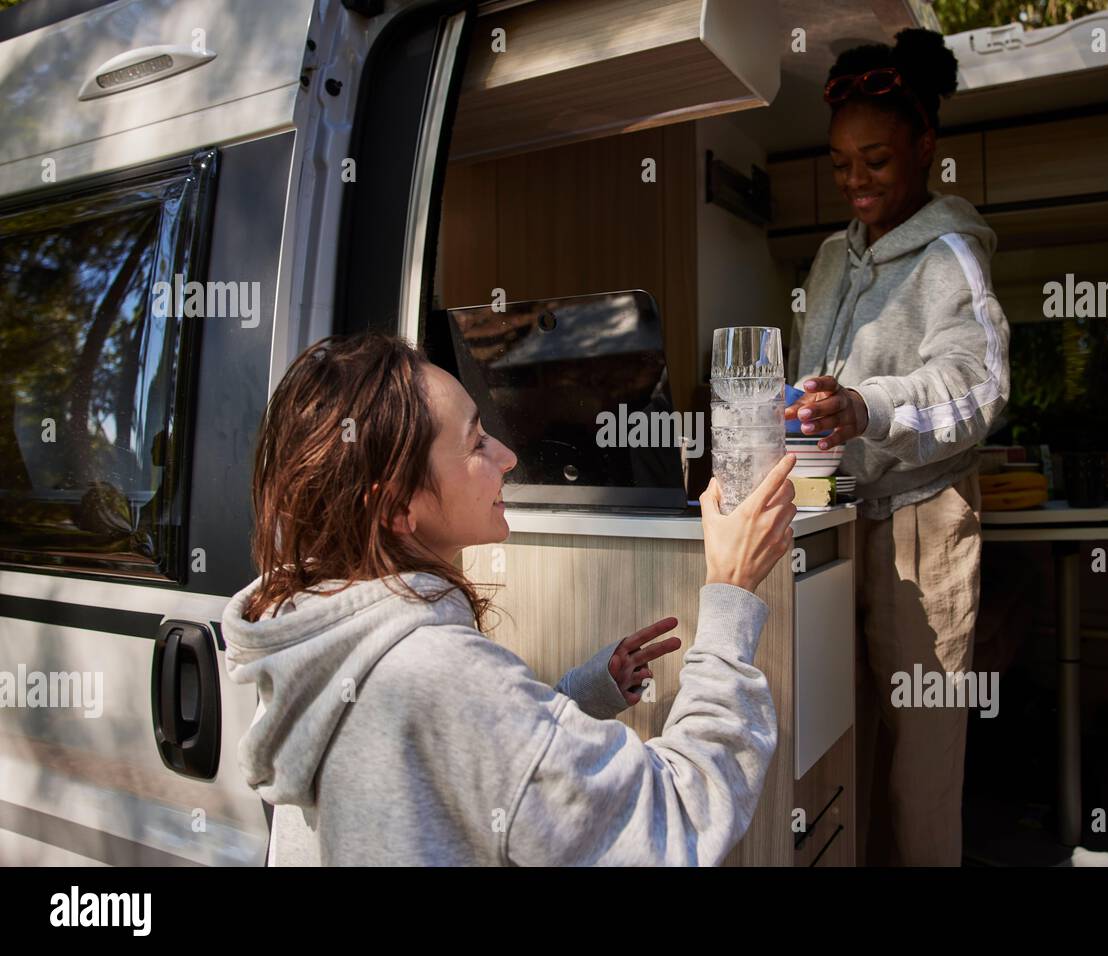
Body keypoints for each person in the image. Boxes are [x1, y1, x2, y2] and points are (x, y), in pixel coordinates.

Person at [221, 332, 798, 865]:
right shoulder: (437, 675)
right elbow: (675, 821)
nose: (507, 457)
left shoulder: (313, 631)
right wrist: (731, 594)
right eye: (476, 443)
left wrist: (578, 696)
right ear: (398, 506)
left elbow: (464, 759)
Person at [786, 28, 1010, 866]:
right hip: (832, 519)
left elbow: (976, 386)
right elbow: (815, 385)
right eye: (841, 164)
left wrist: (864, 407)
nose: (855, 181)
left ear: (925, 146)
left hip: (922, 522)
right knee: (837, 742)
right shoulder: (828, 258)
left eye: (875, 160)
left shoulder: (951, 257)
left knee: (920, 758)